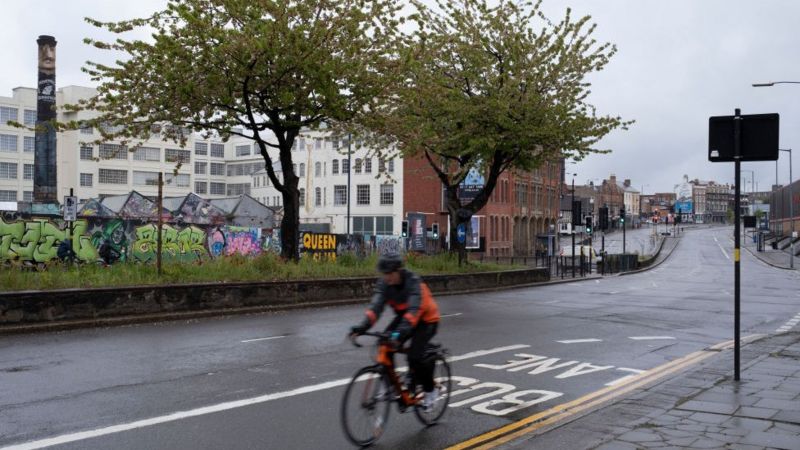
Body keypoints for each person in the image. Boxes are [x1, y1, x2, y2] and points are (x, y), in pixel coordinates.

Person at [349, 253, 441, 410]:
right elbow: (376, 307)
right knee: (384, 344)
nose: (387, 277)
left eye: (390, 273)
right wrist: (362, 327)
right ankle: (392, 386)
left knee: (415, 357)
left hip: (426, 319)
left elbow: (413, 313)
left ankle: (431, 391)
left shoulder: (413, 282)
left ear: (399, 270)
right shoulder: (384, 284)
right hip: (405, 317)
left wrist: (397, 335)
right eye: (384, 273)